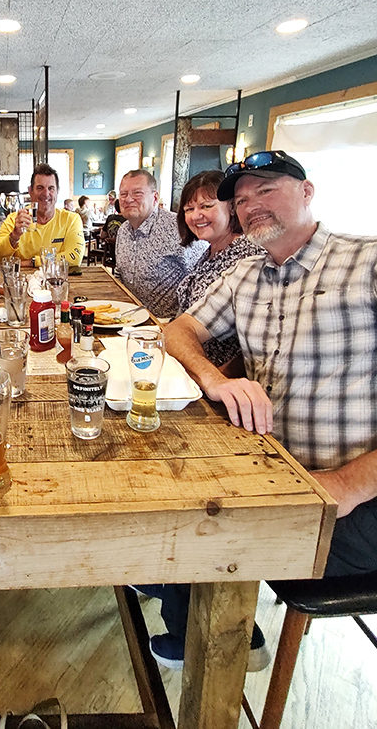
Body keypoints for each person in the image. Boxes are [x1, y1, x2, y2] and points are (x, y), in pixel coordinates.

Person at [158, 149, 377, 670]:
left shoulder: (365, 261)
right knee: (160, 491)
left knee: (195, 530)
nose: (251, 203)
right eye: (241, 198)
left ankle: (225, 649)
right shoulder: (248, 274)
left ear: (307, 191)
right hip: (271, 472)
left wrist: (346, 485)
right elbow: (178, 331)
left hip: (357, 497)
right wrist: (214, 380)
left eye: (266, 189)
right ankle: (182, 602)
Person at [175, 170, 261, 369]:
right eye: (189, 209)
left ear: (231, 208)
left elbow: (249, 347)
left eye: (206, 206)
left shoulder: (248, 257)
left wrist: (214, 382)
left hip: (216, 378)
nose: (197, 215)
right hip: (186, 364)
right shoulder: (209, 252)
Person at [115, 169, 205, 318]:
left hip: (168, 323)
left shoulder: (178, 228)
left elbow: (200, 279)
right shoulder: (123, 230)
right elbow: (120, 274)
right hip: (128, 319)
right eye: (123, 194)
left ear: (155, 197)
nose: (128, 199)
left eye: (137, 193)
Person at [0, 164, 85, 270]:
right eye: (40, 188)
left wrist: (33, 261)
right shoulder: (13, 220)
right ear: (30, 191)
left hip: (56, 282)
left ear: (57, 191)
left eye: (51, 188)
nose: (46, 193)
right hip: (22, 283)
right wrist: (14, 236)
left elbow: (75, 258)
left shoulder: (71, 220)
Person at [100, 199, 125, 267]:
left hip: (112, 253)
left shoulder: (110, 218)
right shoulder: (127, 219)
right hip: (124, 256)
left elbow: (102, 235)